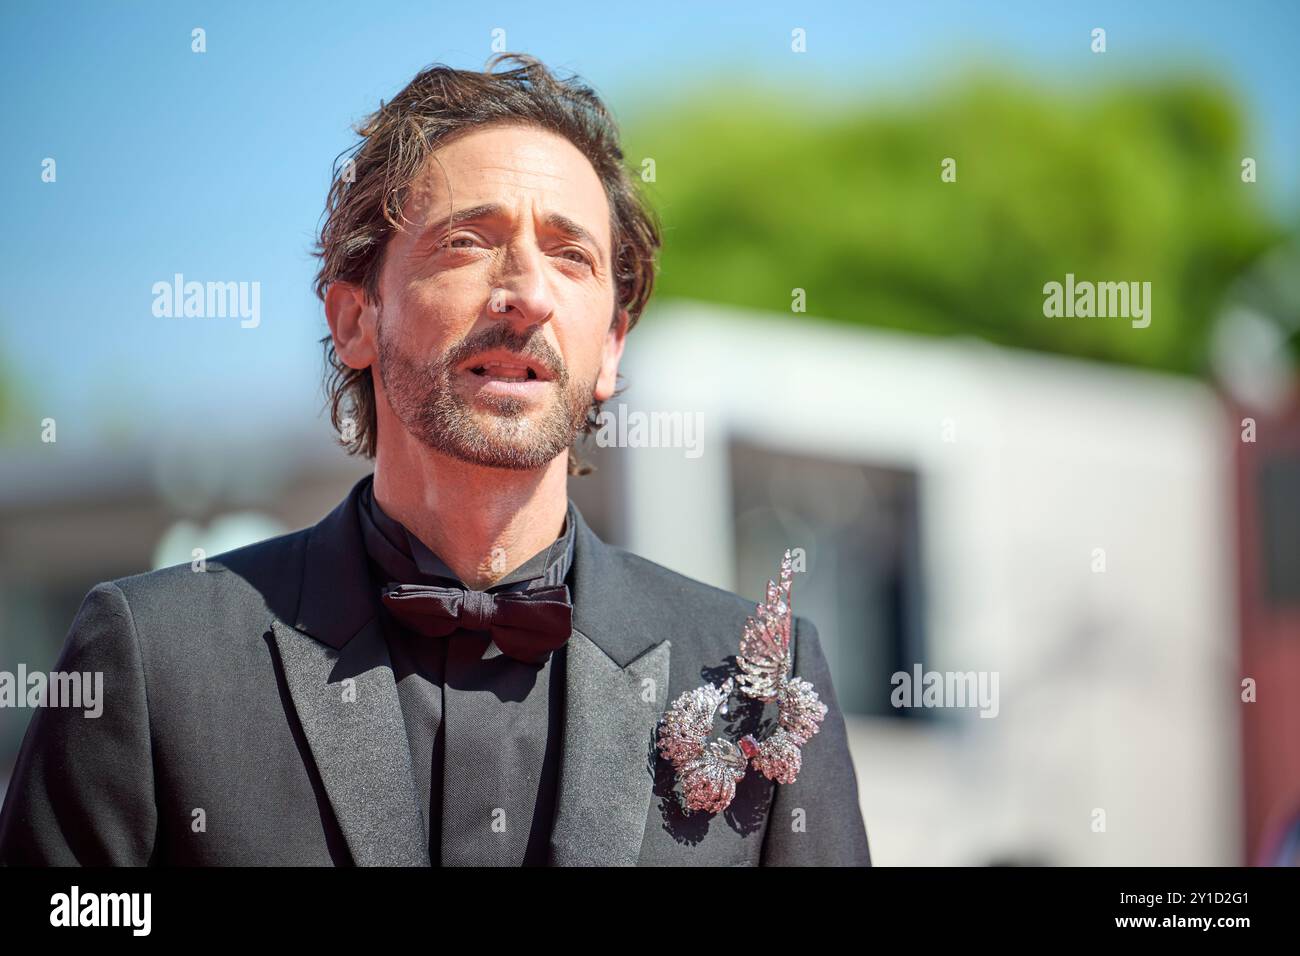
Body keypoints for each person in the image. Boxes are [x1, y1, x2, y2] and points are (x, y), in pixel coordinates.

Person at [0, 53, 870, 866]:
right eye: (467, 240)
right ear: (353, 320)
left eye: (572, 256)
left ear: (610, 347)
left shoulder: (760, 671)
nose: (526, 292)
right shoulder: (154, 656)